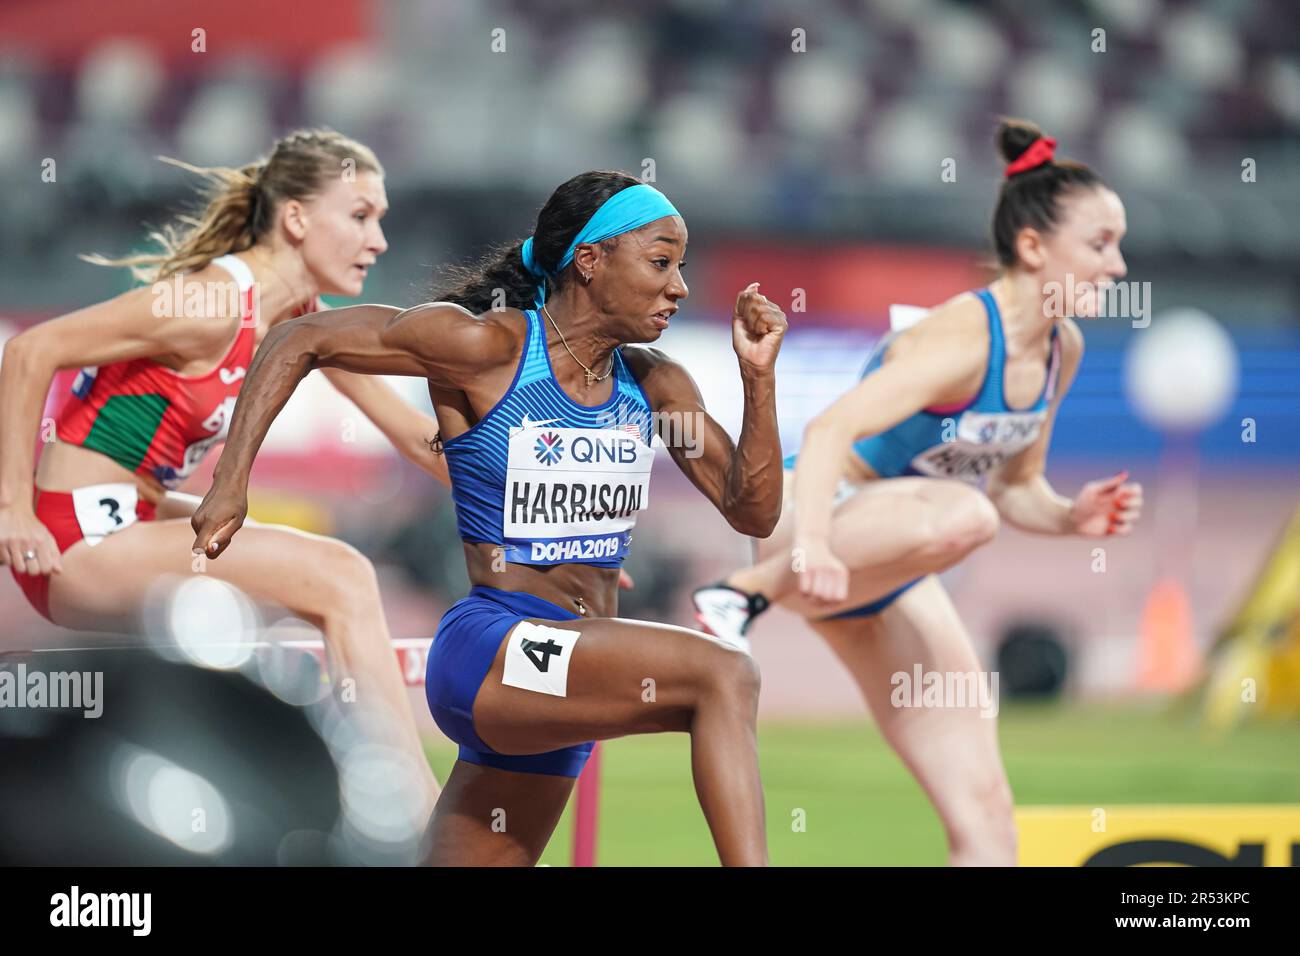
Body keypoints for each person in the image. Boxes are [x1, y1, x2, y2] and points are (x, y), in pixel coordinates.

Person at [191, 171, 788, 866]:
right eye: (660, 263)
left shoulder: (658, 386)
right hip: (494, 652)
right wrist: (231, 483)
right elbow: (301, 339)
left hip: (569, 675)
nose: (680, 287)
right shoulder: (485, 349)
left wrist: (758, 378)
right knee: (725, 675)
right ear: (590, 260)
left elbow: (754, 510)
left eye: (680, 267)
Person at [693, 119, 1143, 865]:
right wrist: (806, 551)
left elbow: (1015, 486)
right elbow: (834, 428)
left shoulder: (1063, 350)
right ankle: (737, 595)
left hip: (896, 562)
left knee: (988, 821)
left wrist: (1070, 516)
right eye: (1100, 245)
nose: (1119, 267)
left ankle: (752, 595)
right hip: (813, 522)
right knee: (962, 517)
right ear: (1033, 248)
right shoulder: (965, 338)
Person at [0, 128, 442, 811]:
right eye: (360, 217)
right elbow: (30, 350)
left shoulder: (299, 320)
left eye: (379, 219)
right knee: (342, 577)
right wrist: (12, 510)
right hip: (75, 539)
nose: (379, 240)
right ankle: (416, 819)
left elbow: (419, 440)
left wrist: (539, 507)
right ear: (296, 218)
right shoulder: (207, 306)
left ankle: (246, 799)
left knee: (273, 603)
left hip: (133, 515)